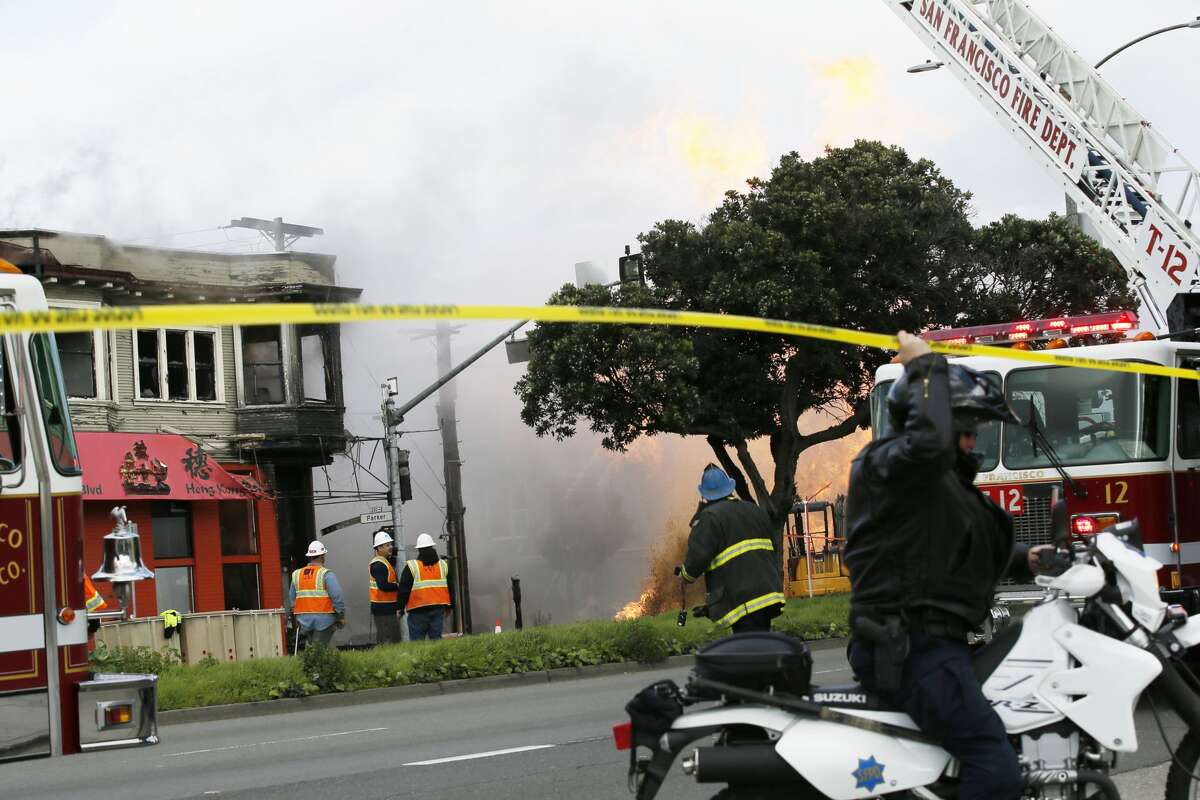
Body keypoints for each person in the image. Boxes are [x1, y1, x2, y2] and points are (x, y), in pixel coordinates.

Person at [844, 331, 1051, 800]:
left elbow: (954, 548)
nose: (971, 441)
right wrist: (925, 367)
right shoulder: (889, 465)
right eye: (965, 430)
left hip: (931, 643)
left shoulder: (935, 487)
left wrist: (1029, 560)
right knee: (995, 768)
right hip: (913, 648)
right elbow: (930, 445)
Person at [678, 465, 784, 632]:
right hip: (768, 591)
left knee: (748, 649)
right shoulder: (754, 510)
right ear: (730, 487)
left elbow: (698, 556)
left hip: (744, 599)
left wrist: (685, 575)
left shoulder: (709, 518)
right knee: (761, 642)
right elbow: (773, 546)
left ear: (704, 494)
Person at [286, 540, 345, 649]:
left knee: (317, 648)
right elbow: (337, 597)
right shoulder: (326, 574)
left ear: (309, 556)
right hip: (325, 621)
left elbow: (292, 598)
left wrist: (297, 617)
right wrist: (341, 615)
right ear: (322, 556)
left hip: (304, 621)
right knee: (320, 650)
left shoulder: (296, 574)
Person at [397, 532, 453, 641]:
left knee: (417, 644)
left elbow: (404, 589)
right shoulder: (443, 565)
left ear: (419, 550)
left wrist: (400, 608)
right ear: (432, 547)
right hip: (438, 609)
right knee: (436, 642)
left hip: (417, 611)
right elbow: (451, 588)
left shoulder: (412, 566)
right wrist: (450, 607)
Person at [368, 529, 403, 645]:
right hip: (384, 608)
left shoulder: (383, 562)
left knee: (389, 637)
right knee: (389, 639)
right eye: (387, 545)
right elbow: (383, 585)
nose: (391, 547)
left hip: (385, 607)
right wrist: (398, 586)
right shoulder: (379, 565)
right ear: (379, 548)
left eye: (391, 544)